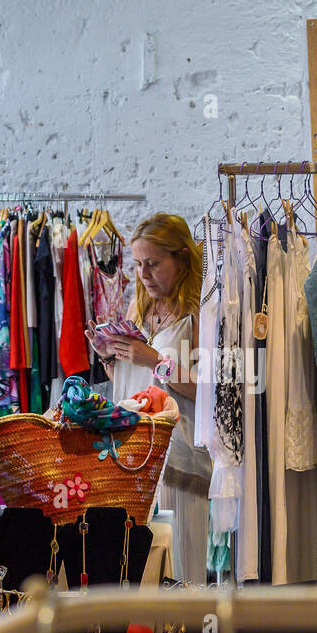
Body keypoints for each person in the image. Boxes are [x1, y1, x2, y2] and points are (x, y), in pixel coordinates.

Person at [87, 213, 212, 583]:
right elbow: (132, 384)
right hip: (134, 454)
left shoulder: (199, 312)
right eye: (138, 264)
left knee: (183, 565)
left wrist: (155, 360)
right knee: (142, 568)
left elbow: (209, 388)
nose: (143, 274)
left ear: (182, 258)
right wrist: (109, 358)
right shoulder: (137, 308)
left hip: (180, 457)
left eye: (153, 264)